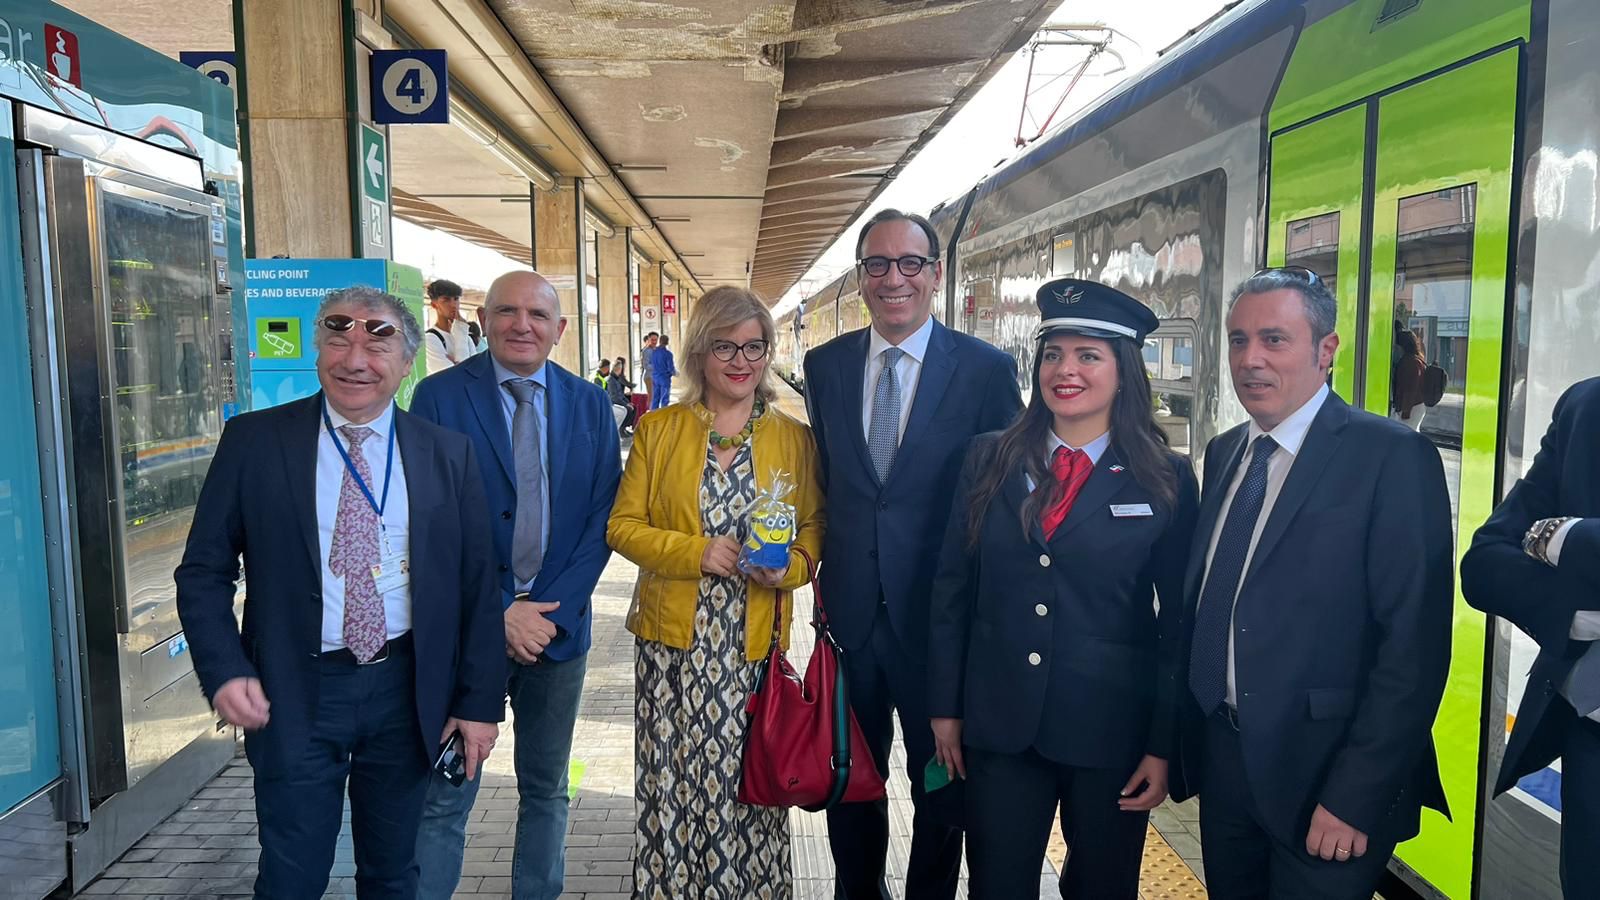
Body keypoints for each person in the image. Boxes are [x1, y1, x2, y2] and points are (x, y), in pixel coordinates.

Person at [174, 286, 505, 897]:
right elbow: (202, 572)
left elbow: (479, 588)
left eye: (376, 346)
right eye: (338, 340)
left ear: (407, 363)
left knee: (393, 874)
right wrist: (225, 669)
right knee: (291, 877)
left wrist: (480, 703)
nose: (355, 360)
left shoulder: (445, 453)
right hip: (293, 692)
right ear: (317, 351)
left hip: (406, 691)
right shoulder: (255, 441)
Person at [1174, 268, 1454, 899]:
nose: (1251, 359)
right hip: (1225, 764)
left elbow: (1413, 650)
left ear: (1326, 350)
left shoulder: (1391, 458)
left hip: (1326, 777)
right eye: (1239, 340)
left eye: (1274, 339)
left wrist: (1355, 797)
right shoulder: (1226, 453)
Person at [927, 280, 1199, 899]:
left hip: (1112, 731)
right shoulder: (988, 459)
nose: (1065, 370)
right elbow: (952, 590)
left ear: (1124, 372)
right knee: (996, 886)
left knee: (1103, 887)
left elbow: (1178, 624)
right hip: (1001, 725)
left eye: (1088, 356)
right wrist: (945, 708)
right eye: (1053, 354)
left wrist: (1162, 746)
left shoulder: (1164, 477)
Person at [802, 208, 1022, 900]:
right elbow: (832, 481)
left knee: (941, 786)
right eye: (877, 264)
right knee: (850, 779)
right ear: (861, 277)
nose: (893, 278)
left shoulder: (985, 370)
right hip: (851, 621)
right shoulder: (825, 366)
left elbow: (1004, 497)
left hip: (941, 626)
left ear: (936, 273)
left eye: (910, 263)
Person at [607, 285, 824, 899]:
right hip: (671, 651)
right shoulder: (660, 431)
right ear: (699, 352)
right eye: (724, 346)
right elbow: (622, 526)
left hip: (752, 651)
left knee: (747, 787)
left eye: (754, 347)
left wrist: (792, 569)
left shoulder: (794, 438)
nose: (740, 361)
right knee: (672, 785)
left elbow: (815, 528)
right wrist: (695, 552)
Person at [409, 271, 622, 900]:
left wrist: (548, 614)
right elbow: (426, 520)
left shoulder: (589, 404)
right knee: (446, 790)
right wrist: (499, 610)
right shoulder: (439, 398)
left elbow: (602, 518)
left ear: (559, 330)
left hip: (558, 632)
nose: (521, 325)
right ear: (484, 321)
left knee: (547, 789)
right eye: (506, 311)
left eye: (537, 314)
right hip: (467, 633)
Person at [1462, 377, 1600, 897]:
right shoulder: (1587, 407)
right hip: (1593, 752)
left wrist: (1565, 536)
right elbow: (1484, 564)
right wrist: (1576, 616)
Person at [425, 279, 475, 373]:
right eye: (446, 300)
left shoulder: (465, 337)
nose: (453, 305)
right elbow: (455, 377)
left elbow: (478, 372)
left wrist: (457, 366)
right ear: (434, 305)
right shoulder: (430, 339)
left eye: (456, 299)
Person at [1391, 328, 1427, 431]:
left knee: (1406, 433)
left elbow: (1410, 388)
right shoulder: (1417, 359)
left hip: (1411, 407)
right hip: (1416, 406)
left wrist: (1406, 411)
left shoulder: (1409, 362)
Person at [606, 357, 638, 437]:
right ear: (618, 369)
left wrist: (628, 402)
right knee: (628, 409)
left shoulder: (617, 378)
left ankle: (624, 428)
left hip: (619, 400)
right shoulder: (611, 380)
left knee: (634, 407)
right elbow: (614, 397)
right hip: (613, 402)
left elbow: (621, 394)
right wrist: (626, 404)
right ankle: (621, 429)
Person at [648, 333, 677, 410]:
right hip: (664, 378)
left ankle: (653, 413)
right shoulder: (668, 354)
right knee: (664, 399)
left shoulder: (654, 352)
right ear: (667, 342)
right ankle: (663, 414)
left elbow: (651, 363)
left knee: (655, 398)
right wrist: (676, 373)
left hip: (655, 377)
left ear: (660, 341)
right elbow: (671, 368)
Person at [640, 331, 660, 409]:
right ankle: (650, 412)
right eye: (652, 340)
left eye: (656, 340)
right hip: (649, 377)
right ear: (648, 340)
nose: (654, 342)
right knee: (651, 396)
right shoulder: (646, 351)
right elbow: (646, 365)